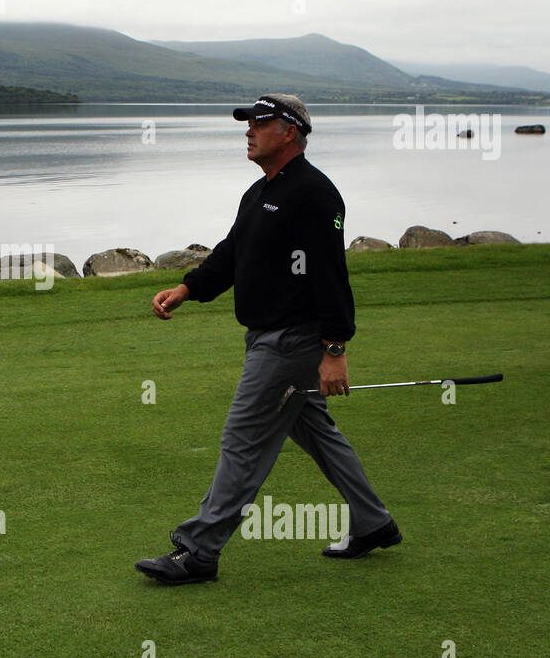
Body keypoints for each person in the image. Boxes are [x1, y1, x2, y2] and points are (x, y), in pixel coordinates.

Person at [135, 93, 400, 585]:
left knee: (244, 440)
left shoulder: (315, 194)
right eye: (248, 122)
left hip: (292, 342)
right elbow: (232, 253)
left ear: (291, 132)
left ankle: (198, 551)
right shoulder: (260, 193)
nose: (249, 130)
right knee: (314, 431)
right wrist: (188, 288)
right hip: (265, 337)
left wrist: (335, 349)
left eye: (261, 121)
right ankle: (373, 521)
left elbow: (330, 274)